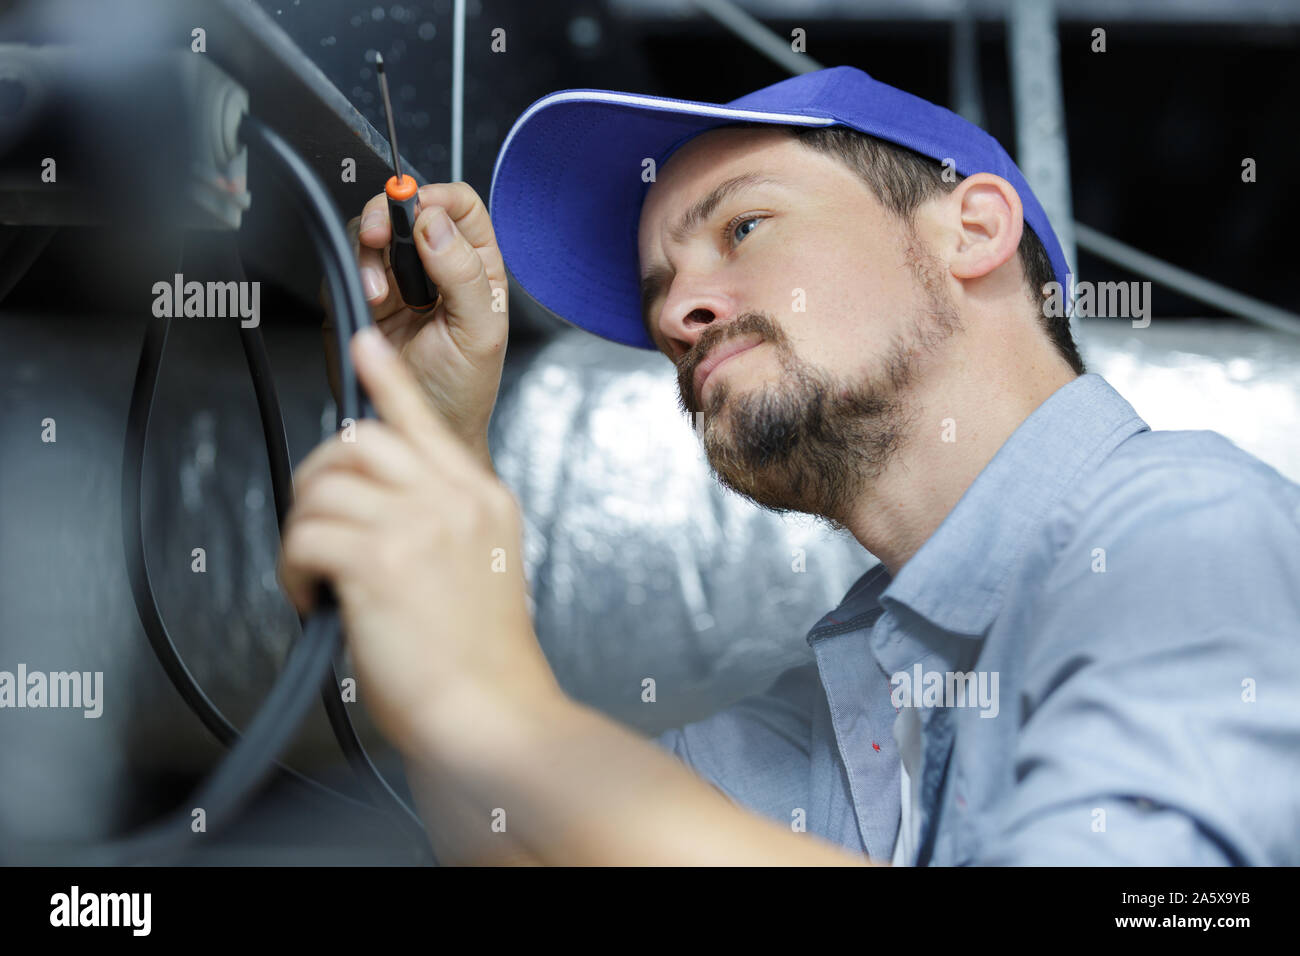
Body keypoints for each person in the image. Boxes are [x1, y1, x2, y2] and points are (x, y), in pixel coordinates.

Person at [280, 67, 1300, 865]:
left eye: (742, 225)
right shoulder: (838, 705)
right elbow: (521, 839)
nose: (676, 314)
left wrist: (498, 707)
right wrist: (429, 430)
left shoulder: (1183, 534)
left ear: (974, 228)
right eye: (658, 288)